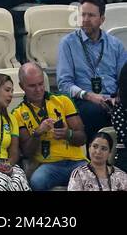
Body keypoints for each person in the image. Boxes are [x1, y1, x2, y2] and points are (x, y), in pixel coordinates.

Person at [56, 0, 127, 138]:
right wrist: (89, 95)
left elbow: (123, 79)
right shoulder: (68, 43)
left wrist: (118, 98)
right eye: (83, 15)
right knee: (95, 112)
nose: (86, 19)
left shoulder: (115, 44)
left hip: (113, 98)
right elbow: (64, 84)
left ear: (102, 19)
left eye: (91, 15)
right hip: (83, 99)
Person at [10, 60, 86, 191]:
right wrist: (37, 133)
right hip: (48, 166)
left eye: (41, 84)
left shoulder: (63, 101)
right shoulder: (17, 114)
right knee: (37, 181)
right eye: (32, 86)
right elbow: (27, 153)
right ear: (22, 86)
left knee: (94, 177)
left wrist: (68, 134)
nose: (38, 89)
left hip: (76, 162)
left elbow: (82, 138)